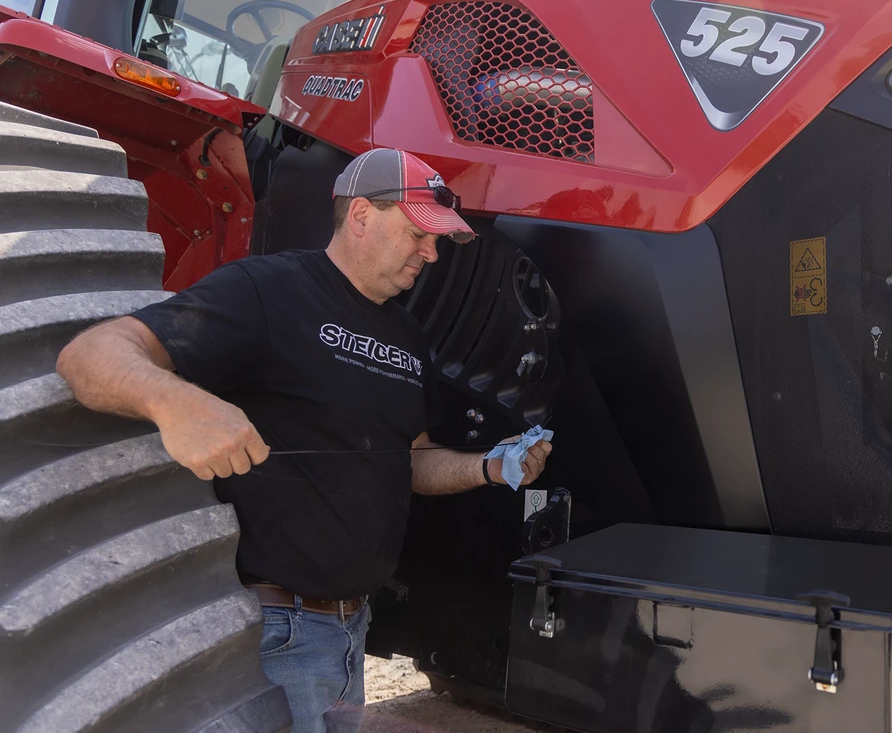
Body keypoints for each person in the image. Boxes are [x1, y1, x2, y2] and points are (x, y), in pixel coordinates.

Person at [56, 147, 552, 733]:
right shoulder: (268, 291)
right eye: (418, 232)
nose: (431, 252)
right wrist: (176, 402)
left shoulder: (406, 336)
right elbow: (88, 355)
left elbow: (411, 459)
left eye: (436, 239)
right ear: (361, 214)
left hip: (350, 633)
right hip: (274, 631)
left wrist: (491, 468)